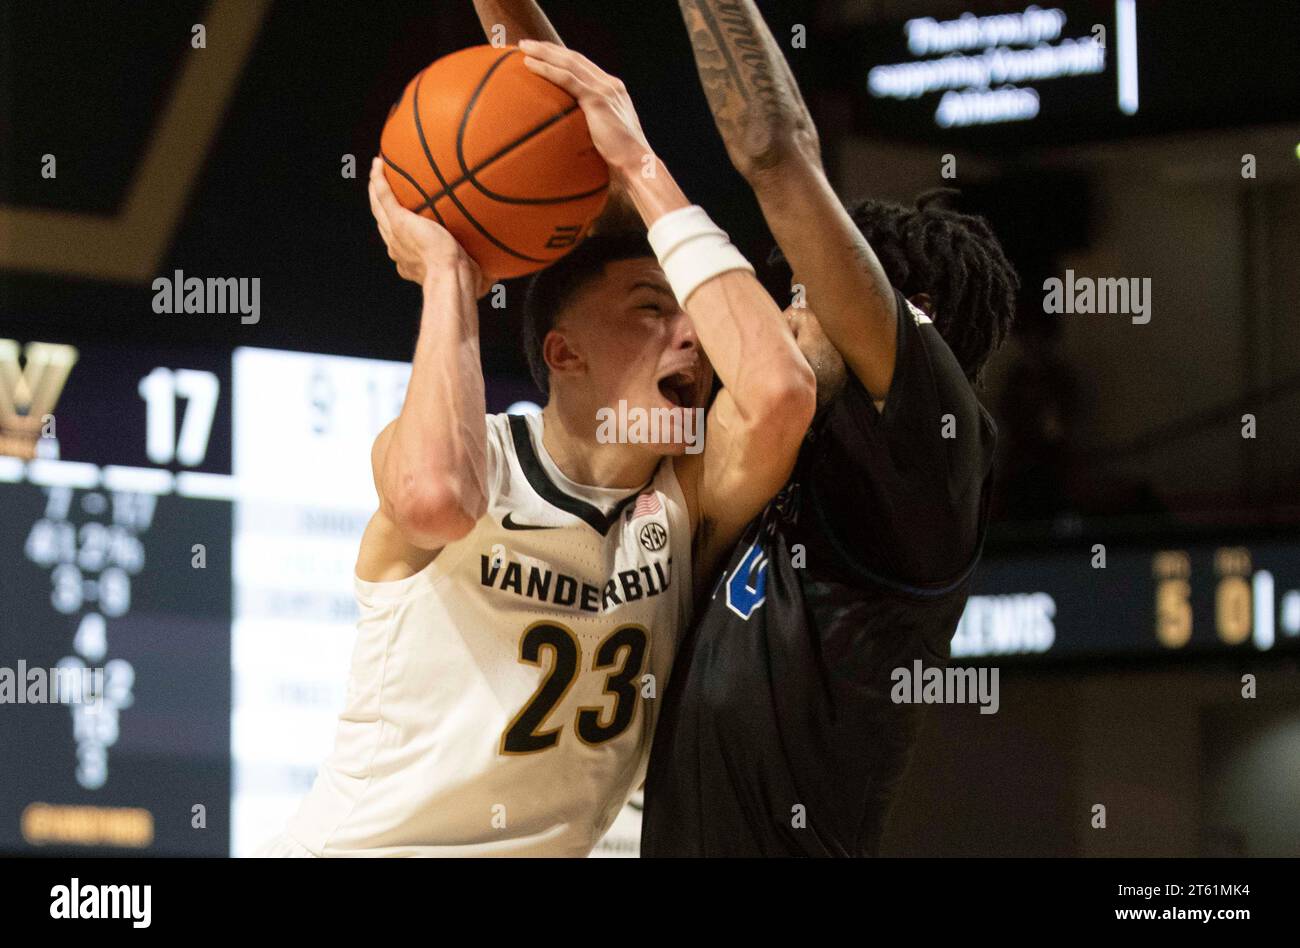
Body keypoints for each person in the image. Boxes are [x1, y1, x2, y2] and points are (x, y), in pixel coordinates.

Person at [256, 33, 815, 855]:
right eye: (650, 309)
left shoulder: (682, 503)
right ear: (564, 354)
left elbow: (780, 394)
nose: (690, 334)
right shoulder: (468, 457)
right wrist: (449, 277)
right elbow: (435, 501)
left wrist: (637, 166)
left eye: (688, 313)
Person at [637, 0, 1020, 856]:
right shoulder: (794, 465)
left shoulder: (938, 455)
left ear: (903, 320)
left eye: (809, 296)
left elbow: (775, 151)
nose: (790, 312)